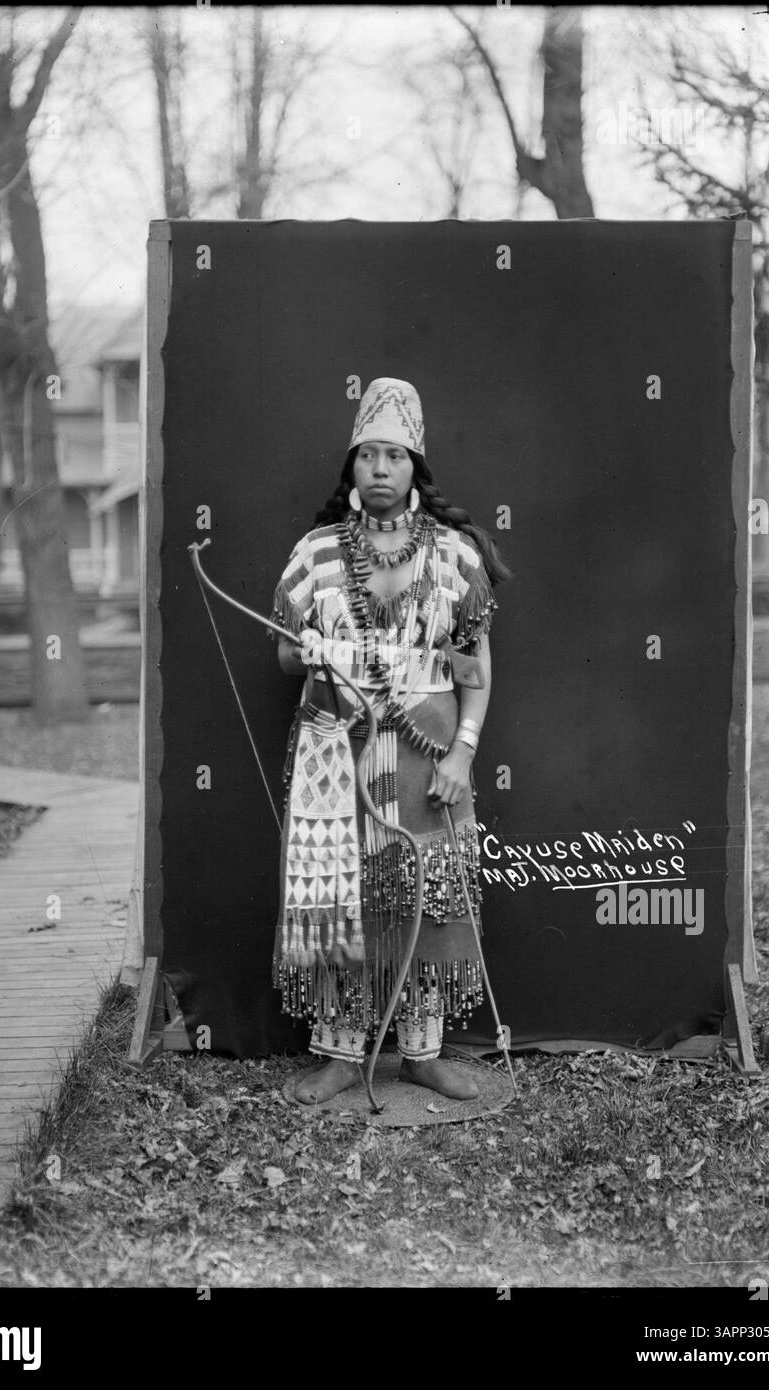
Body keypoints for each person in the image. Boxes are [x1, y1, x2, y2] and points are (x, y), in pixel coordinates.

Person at [270, 378, 511, 1105]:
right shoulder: (314, 554)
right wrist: (309, 652)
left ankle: (423, 1051)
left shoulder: (454, 557)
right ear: (350, 468)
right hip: (334, 751)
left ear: (415, 469)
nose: (378, 468)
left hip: (428, 754)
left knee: (427, 893)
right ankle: (341, 1053)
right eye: (366, 455)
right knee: (340, 891)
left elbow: (474, 662)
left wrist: (464, 753)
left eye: (393, 456)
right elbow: (282, 654)